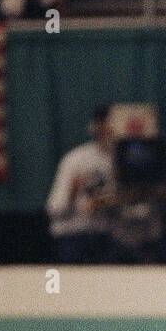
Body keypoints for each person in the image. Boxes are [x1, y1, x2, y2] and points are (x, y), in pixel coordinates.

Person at [45, 104, 118, 262]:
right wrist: (73, 192)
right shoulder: (76, 159)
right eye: (106, 126)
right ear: (97, 127)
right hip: (73, 236)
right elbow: (54, 209)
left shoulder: (119, 160)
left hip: (106, 237)